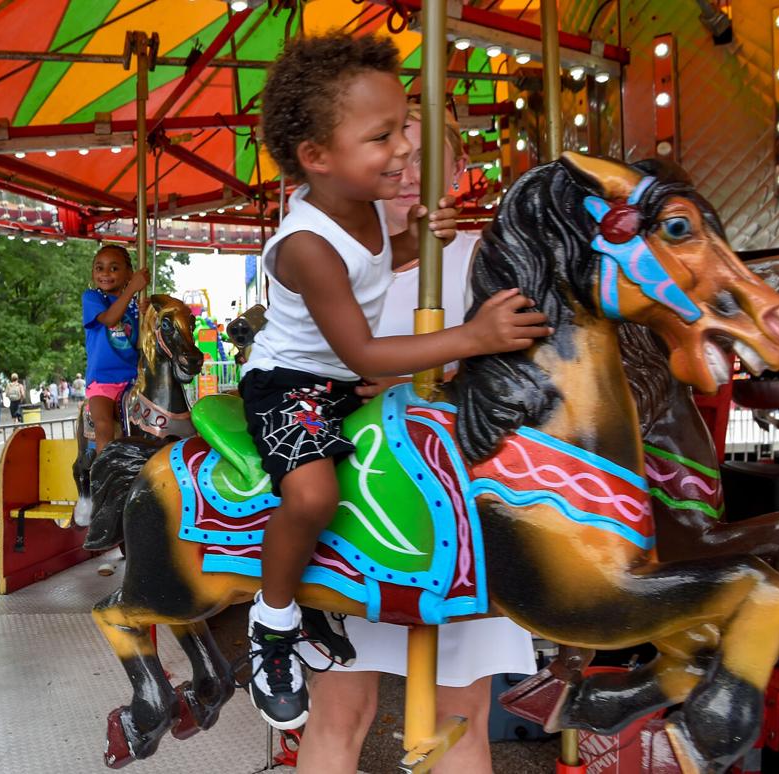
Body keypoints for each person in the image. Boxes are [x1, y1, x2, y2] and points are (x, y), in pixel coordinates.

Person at [240, 33, 552, 731]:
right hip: (293, 386)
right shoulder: (307, 244)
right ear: (318, 158)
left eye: (407, 129)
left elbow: (380, 263)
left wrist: (418, 239)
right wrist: (473, 338)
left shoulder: (358, 207)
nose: (407, 150)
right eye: (385, 137)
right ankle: (274, 619)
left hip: (342, 382)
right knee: (313, 491)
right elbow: (366, 351)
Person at [295, 106, 537, 774]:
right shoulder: (334, 262)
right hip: (359, 509)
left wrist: (432, 378)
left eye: (429, 165)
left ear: (460, 174)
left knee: (462, 717)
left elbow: (531, 379)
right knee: (338, 708)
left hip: (463, 520)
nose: (409, 179)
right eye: (394, 162)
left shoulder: (492, 262)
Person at [82, 245, 148, 457]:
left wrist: (147, 315)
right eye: (99, 268)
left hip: (133, 381)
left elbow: (147, 342)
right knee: (104, 427)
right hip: (102, 381)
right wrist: (131, 289)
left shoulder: (134, 307)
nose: (105, 273)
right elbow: (110, 318)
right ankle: (105, 478)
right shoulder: (93, 298)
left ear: (129, 273)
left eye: (114, 268)